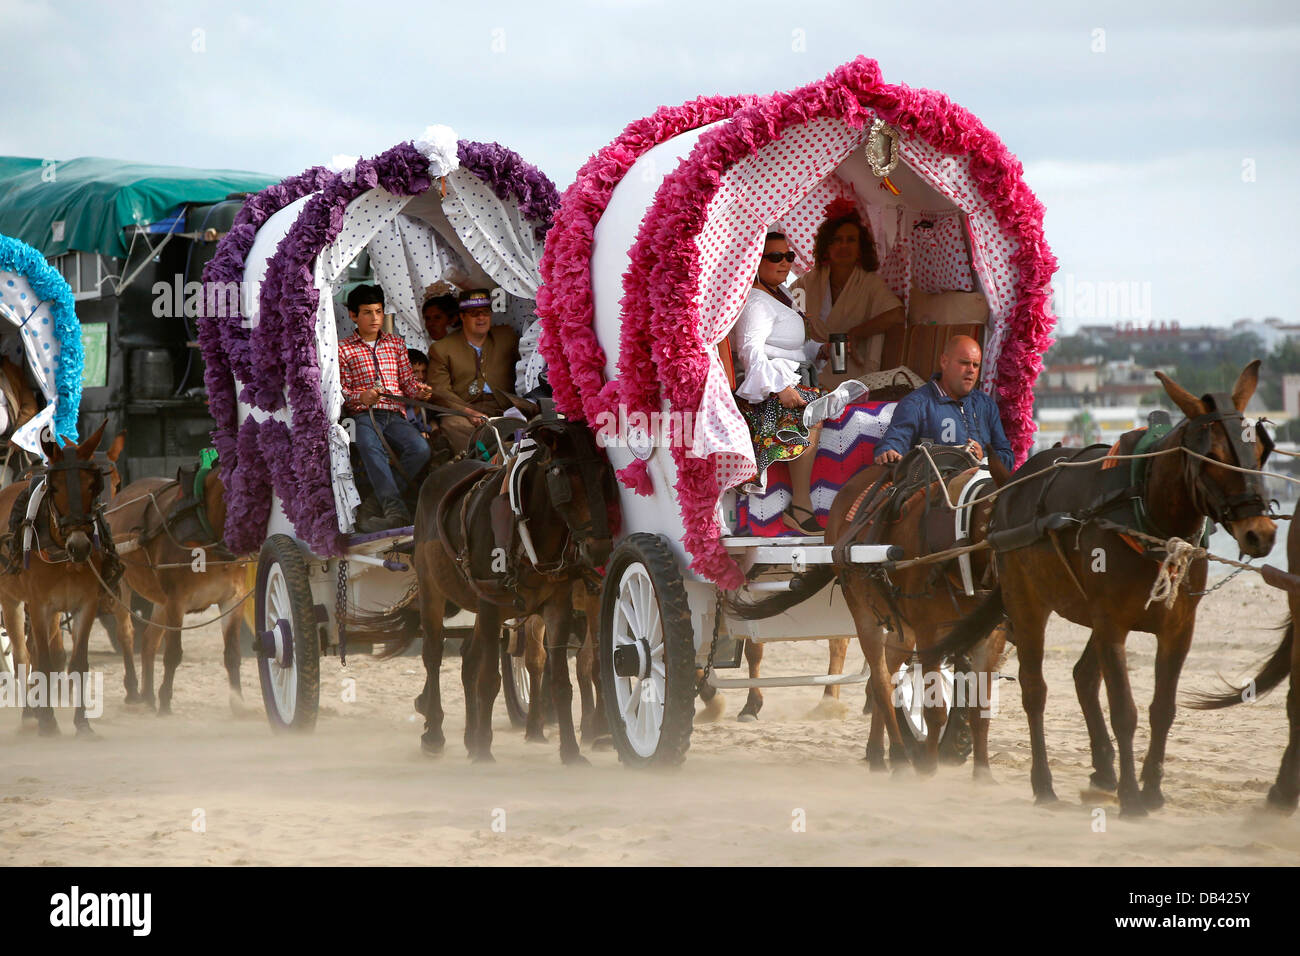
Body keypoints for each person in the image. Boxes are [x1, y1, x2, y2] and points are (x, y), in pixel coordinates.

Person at [733, 231, 830, 533]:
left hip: (797, 372)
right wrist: (779, 387)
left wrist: (821, 350)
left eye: (788, 256)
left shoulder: (780, 295)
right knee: (811, 410)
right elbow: (751, 350)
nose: (785, 262)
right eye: (775, 257)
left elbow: (788, 345)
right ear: (755, 261)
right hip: (771, 385)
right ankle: (800, 506)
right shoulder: (757, 302)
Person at [338, 284, 434, 532]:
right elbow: (341, 392)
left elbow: (408, 384)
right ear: (353, 315)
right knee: (370, 448)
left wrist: (420, 391)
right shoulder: (343, 349)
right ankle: (396, 511)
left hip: (395, 414)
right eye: (368, 312)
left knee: (421, 449)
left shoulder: (395, 344)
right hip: (364, 416)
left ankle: (375, 504)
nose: (375, 318)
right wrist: (362, 396)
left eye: (378, 312)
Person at [792, 197, 905, 389]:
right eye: (837, 240)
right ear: (827, 247)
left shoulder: (870, 283)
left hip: (851, 371)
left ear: (860, 248)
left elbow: (897, 314)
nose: (844, 246)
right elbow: (784, 303)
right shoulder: (809, 281)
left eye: (851, 240)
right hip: (809, 367)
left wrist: (856, 333)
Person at [874, 335, 1013, 481]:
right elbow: (894, 441)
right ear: (944, 362)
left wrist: (983, 458)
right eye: (964, 363)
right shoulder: (916, 404)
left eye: (976, 365)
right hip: (934, 495)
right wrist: (889, 452)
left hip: (981, 493)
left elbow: (1007, 457)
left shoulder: (986, 405)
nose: (971, 370)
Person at [426, 288, 521, 454]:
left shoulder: (507, 337)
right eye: (474, 313)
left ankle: (507, 461)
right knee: (452, 425)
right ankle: (487, 465)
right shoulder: (441, 348)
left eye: (485, 312)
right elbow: (439, 391)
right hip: (465, 410)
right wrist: (468, 412)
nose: (481, 318)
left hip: (504, 407)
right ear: (462, 316)